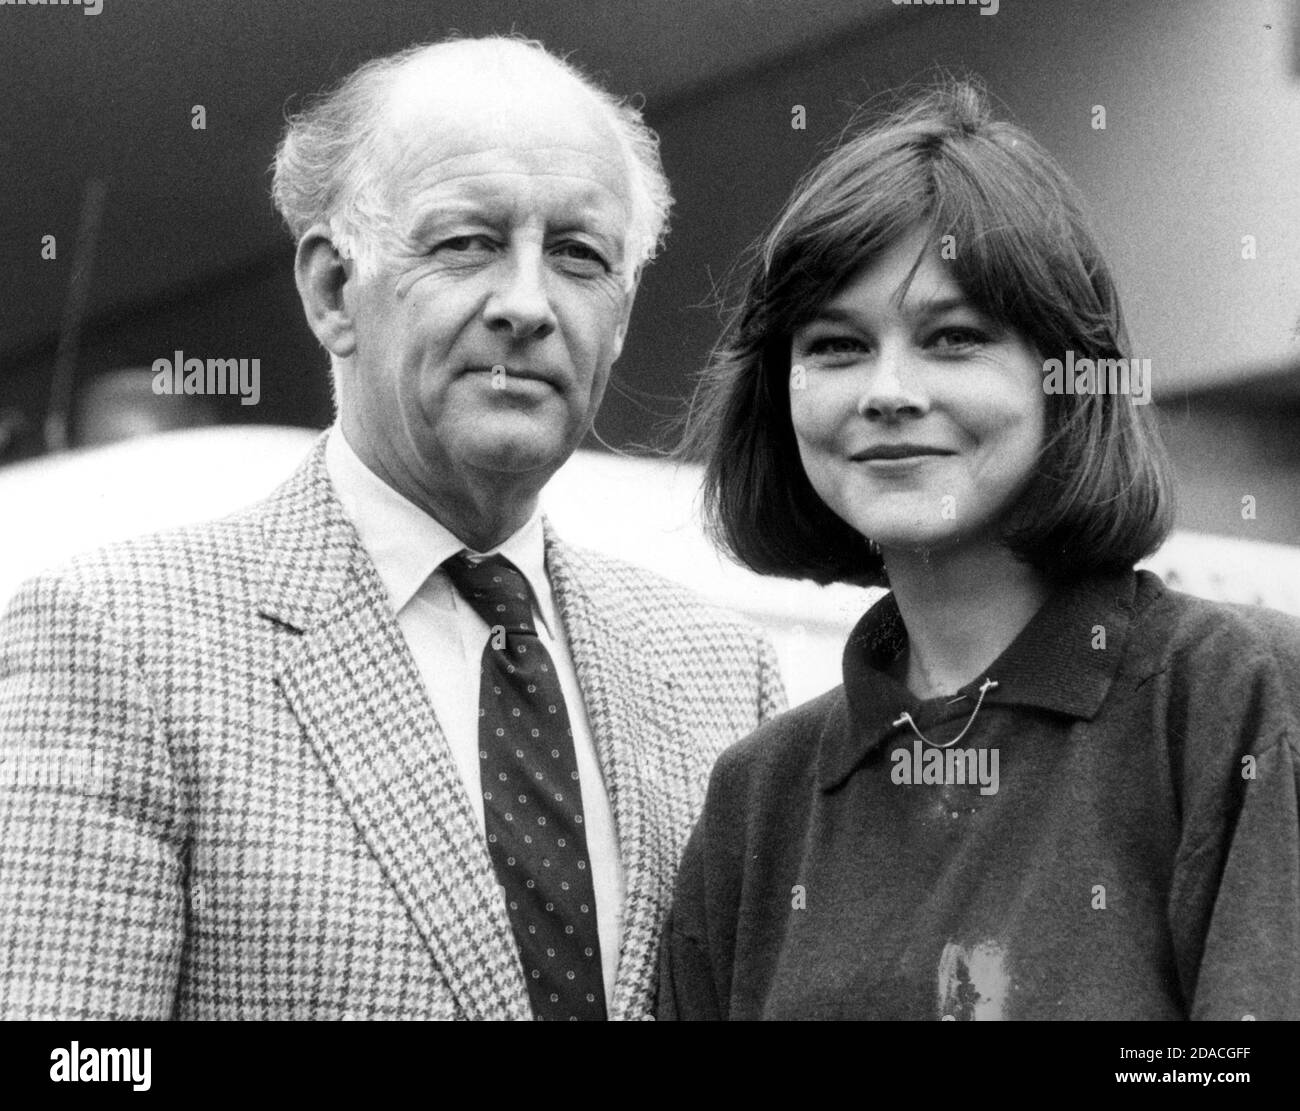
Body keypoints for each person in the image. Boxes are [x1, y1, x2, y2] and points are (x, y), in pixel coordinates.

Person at [0, 36, 785, 1021]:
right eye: (466, 243)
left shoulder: (721, 674)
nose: (527, 305)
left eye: (579, 256)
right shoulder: (117, 640)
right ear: (333, 289)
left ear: (620, 318)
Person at [658, 82, 1300, 1021]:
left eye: (953, 338)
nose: (888, 390)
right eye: (836, 345)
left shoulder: (1234, 696)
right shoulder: (757, 801)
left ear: (1067, 379)